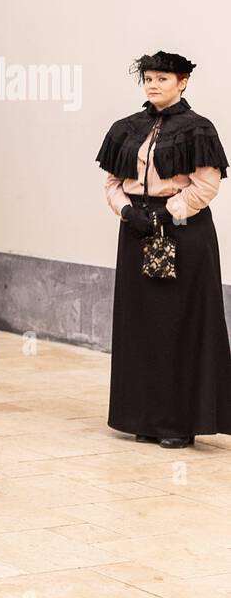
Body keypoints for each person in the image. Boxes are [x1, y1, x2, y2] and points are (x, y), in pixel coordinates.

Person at [97, 50, 230, 448]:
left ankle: (179, 422)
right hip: (137, 232)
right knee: (142, 324)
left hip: (184, 234)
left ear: (183, 82)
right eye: (149, 79)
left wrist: (169, 214)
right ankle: (144, 416)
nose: (154, 85)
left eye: (163, 79)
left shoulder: (199, 129)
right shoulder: (127, 128)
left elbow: (206, 186)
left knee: (179, 325)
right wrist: (128, 212)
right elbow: (111, 184)